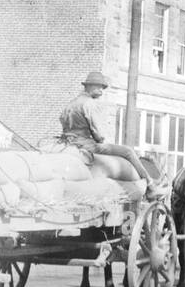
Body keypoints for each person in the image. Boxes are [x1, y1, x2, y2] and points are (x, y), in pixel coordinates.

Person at [59, 71, 159, 200]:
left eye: (103, 87)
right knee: (128, 151)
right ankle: (150, 183)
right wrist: (101, 140)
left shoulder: (70, 104)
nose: (102, 90)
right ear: (89, 87)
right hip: (85, 144)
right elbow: (98, 133)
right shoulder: (89, 103)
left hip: (67, 142)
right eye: (99, 86)